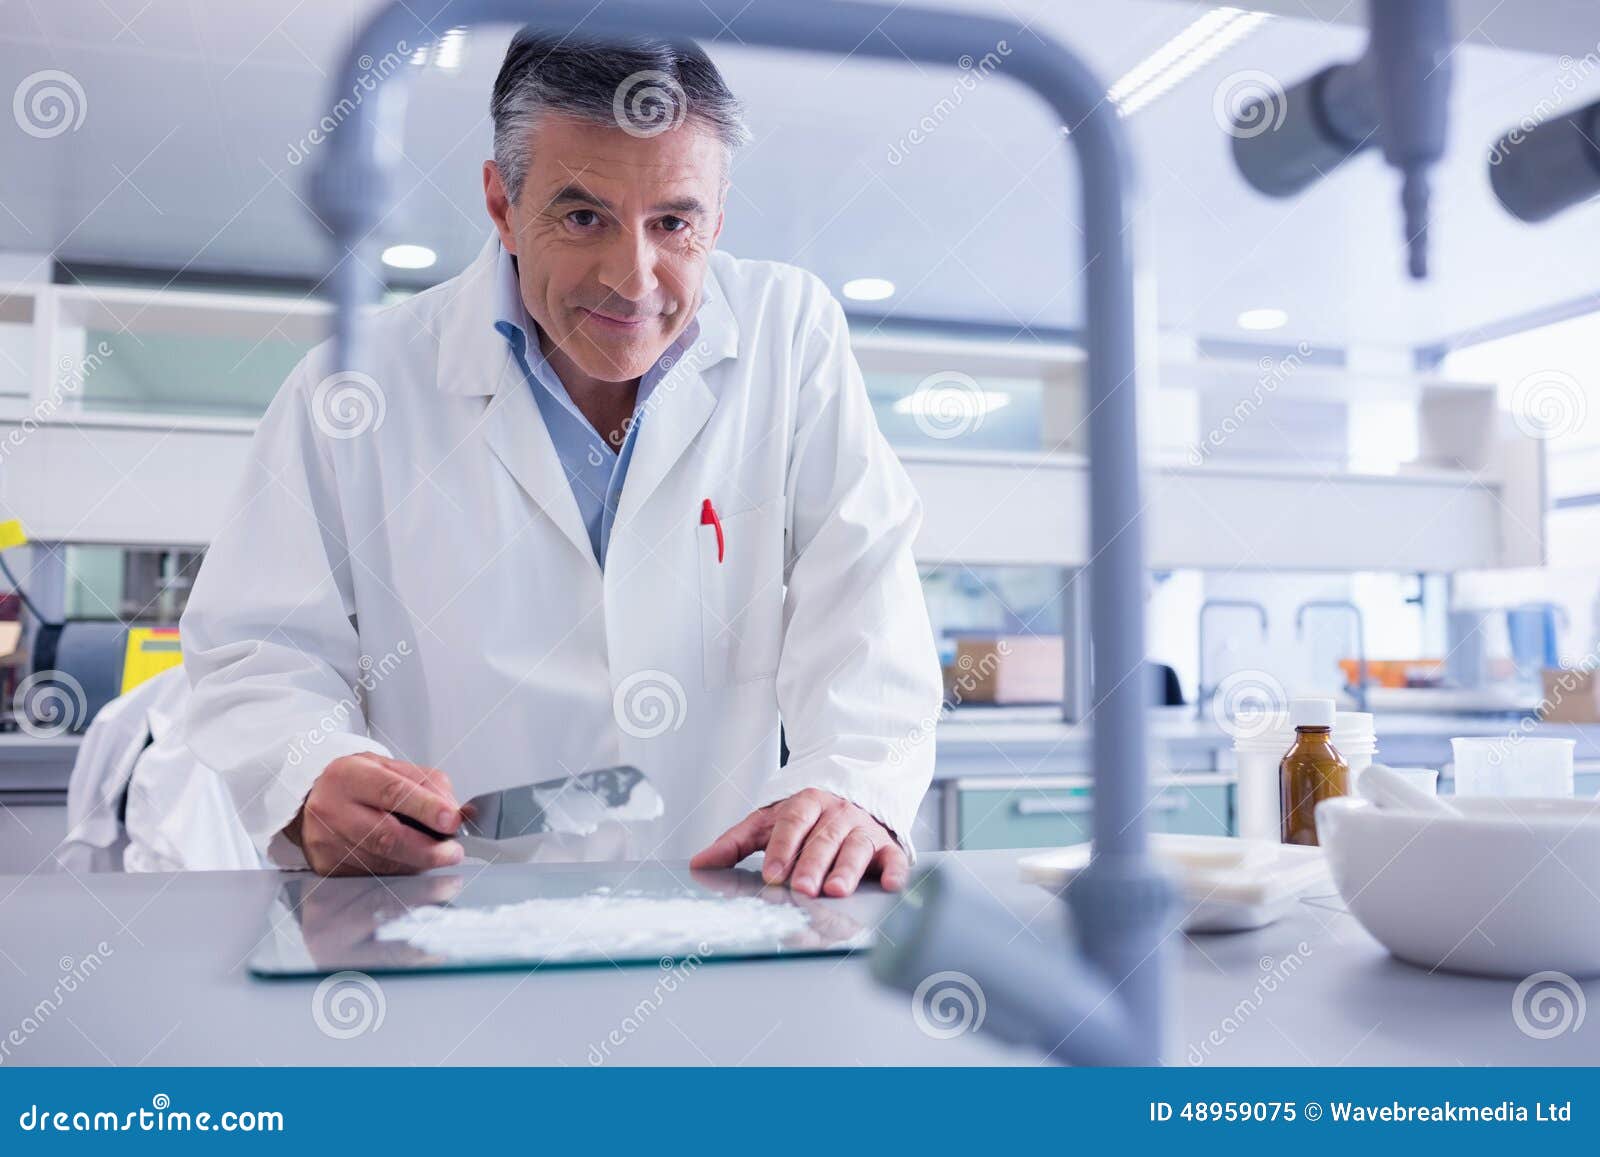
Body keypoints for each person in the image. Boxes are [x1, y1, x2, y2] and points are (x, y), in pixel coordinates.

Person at [179, 32, 942, 898]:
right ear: (502, 204)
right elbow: (258, 648)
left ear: (718, 215)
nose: (634, 277)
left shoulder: (789, 334)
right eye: (585, 217)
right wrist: (312, 773)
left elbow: (864, 591)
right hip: (451, 910)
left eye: (674, 223)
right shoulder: (353, 385)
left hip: (716, 907)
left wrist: (851, 783)